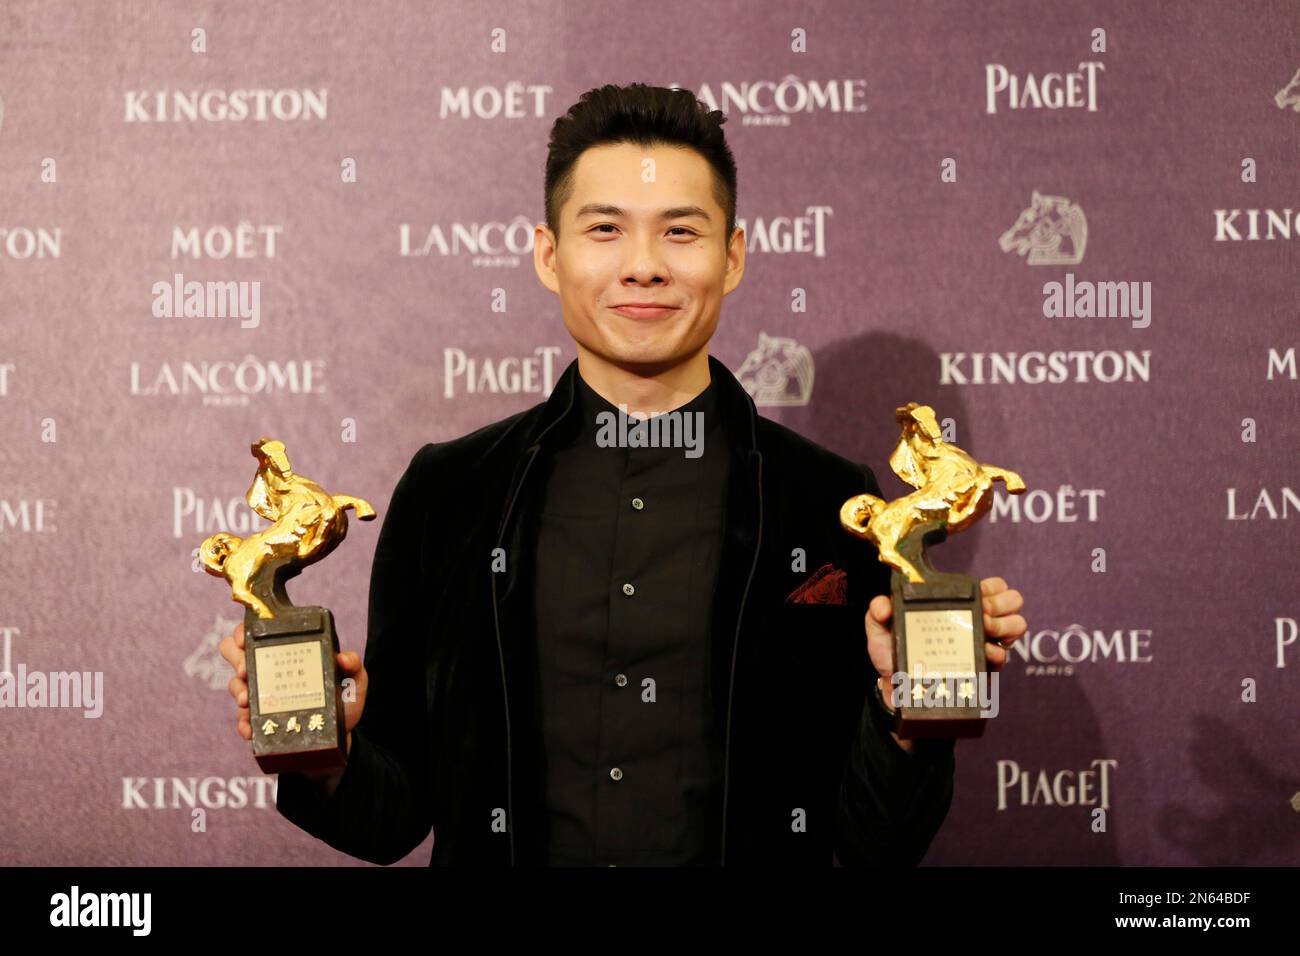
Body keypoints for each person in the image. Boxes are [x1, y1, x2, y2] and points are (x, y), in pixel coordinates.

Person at [219, 83, 1026, 867]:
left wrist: (909, 715)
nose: (643, 266)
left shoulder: (829, 502)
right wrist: (324, 750)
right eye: (605, 230)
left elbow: (876, 844)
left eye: (680, 232)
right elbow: (390, 820)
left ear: (733, 257)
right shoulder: (450, 491)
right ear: (549, 255)